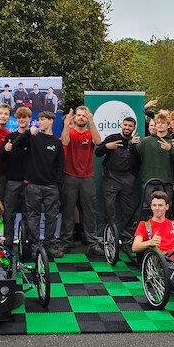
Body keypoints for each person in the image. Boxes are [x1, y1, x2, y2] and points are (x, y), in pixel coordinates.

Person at [10, 111, 64, 256]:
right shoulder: (32, 138)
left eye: (43, 119)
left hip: (51, 186)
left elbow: (60, 165)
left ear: (51, 121)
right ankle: (35, 245)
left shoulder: (56, 142)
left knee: (52, 216)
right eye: (38, 120)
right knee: (33, 216)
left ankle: (50, 243)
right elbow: (16, 143)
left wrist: (56, 183)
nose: (39, 122)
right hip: (33, 184)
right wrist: (28, 133)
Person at [60, 105, 104, 256]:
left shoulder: (89, 133)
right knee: (67, 210)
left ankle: (92, 242)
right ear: (74, 117)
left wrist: (92, 123)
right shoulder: (70, 132)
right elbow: (64, 142)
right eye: (78, 115)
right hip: (70, 176)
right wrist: (66, 124)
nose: (80, 118)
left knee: (90, 211)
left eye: (84, 116)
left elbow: (98, 142)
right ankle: (66, 241)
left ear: (87, 118)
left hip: (87, 177)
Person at [96, 115, 140, 243]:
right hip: (111, 179)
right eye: (125, 125)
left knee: (129, 211)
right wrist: (106, 147)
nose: (127, 128)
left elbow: (139, 162)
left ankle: (127, 238)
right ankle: (109, 237)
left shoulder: (136, 142)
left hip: (128, 180)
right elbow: (98, 153)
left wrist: (133, 177)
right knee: (109, 209)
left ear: (134, 128)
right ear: (122, 125)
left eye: (130, 126)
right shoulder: (112, 138)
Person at [134, 112, 174, 211]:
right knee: (147, 207)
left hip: (166, 182)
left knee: (166, 207)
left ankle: (165, 227)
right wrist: (131, 143)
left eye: (163, 123)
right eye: (158, 122)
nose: (160, 124)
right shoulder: (146, 141)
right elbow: (134, 152)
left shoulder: (172, 141)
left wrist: (170, 149)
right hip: (148, 181)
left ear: (168, 125)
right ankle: (148, 226)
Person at [1, 106, 34, 245]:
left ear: (29, 119)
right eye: (19, 117)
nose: (21, 120)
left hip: (29, 182)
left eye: (24, 117)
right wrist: (5, 150)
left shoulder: (34, 137)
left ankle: (26, 242)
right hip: (12, 181)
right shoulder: (10, 137)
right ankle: (8, 242)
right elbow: (0, 157)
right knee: (9, 214)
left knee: (28, 214)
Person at [131, 190, 174, 256]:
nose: (157, 208)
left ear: (167, 207)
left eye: (160, 205)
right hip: (157, 262)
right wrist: (150, 242)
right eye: (154, 205)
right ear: (151, 206)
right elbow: (135, 247)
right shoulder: (144, 225)